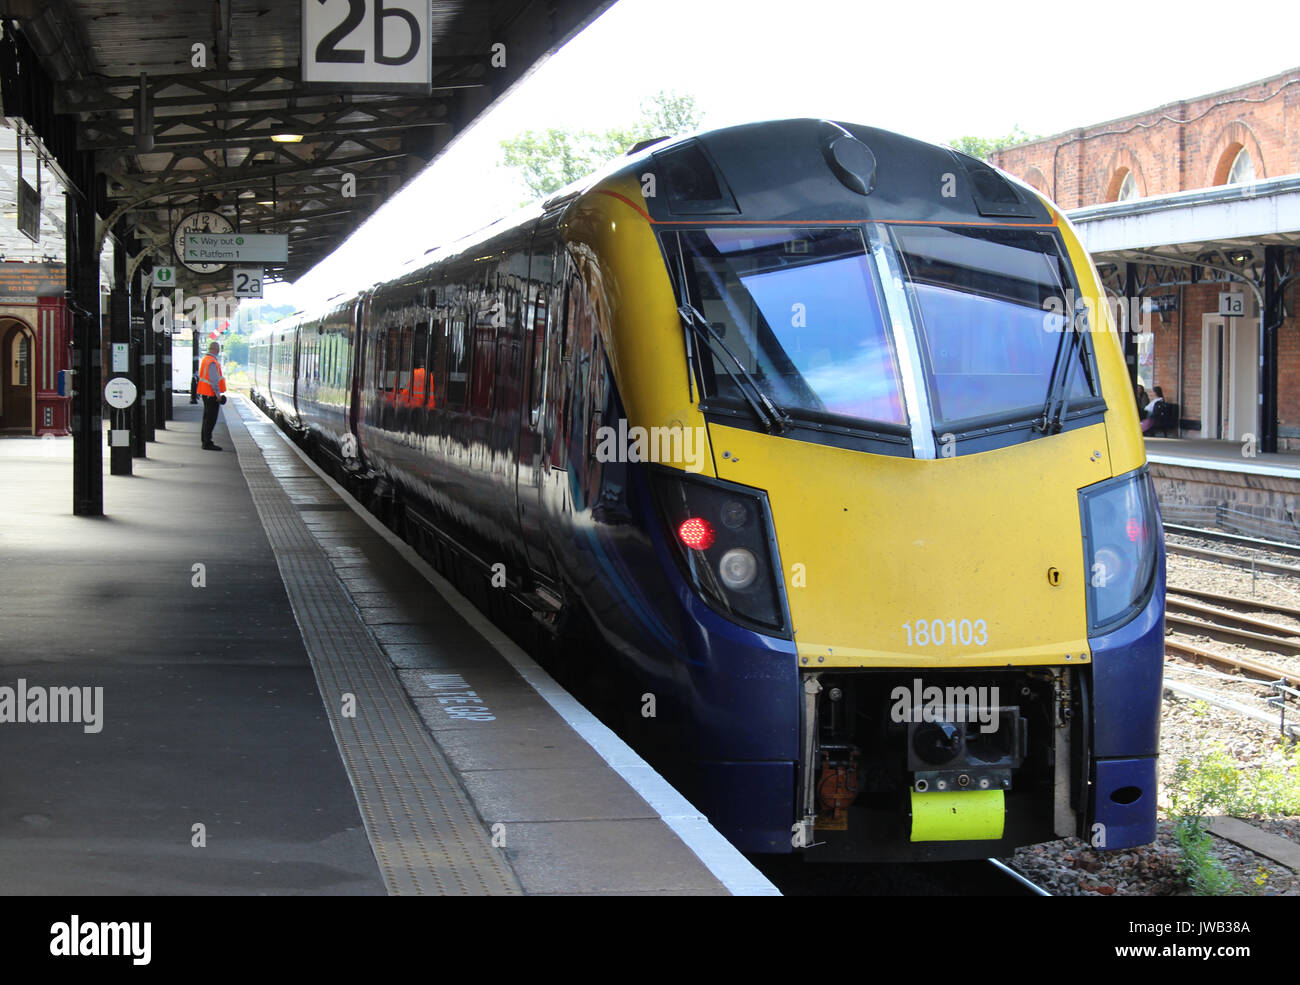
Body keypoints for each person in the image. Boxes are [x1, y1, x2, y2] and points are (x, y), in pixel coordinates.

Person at [196, 341, 227, 451]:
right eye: (218, 350)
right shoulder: (212, 362)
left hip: (206, 394)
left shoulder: (205, 360)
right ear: (215, 350)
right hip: (211, 395)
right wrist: (218, 395)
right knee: (210, 420)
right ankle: (207, 442)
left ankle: (205, 441)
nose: (218, 352)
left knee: (206, 419)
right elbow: (214, 380)